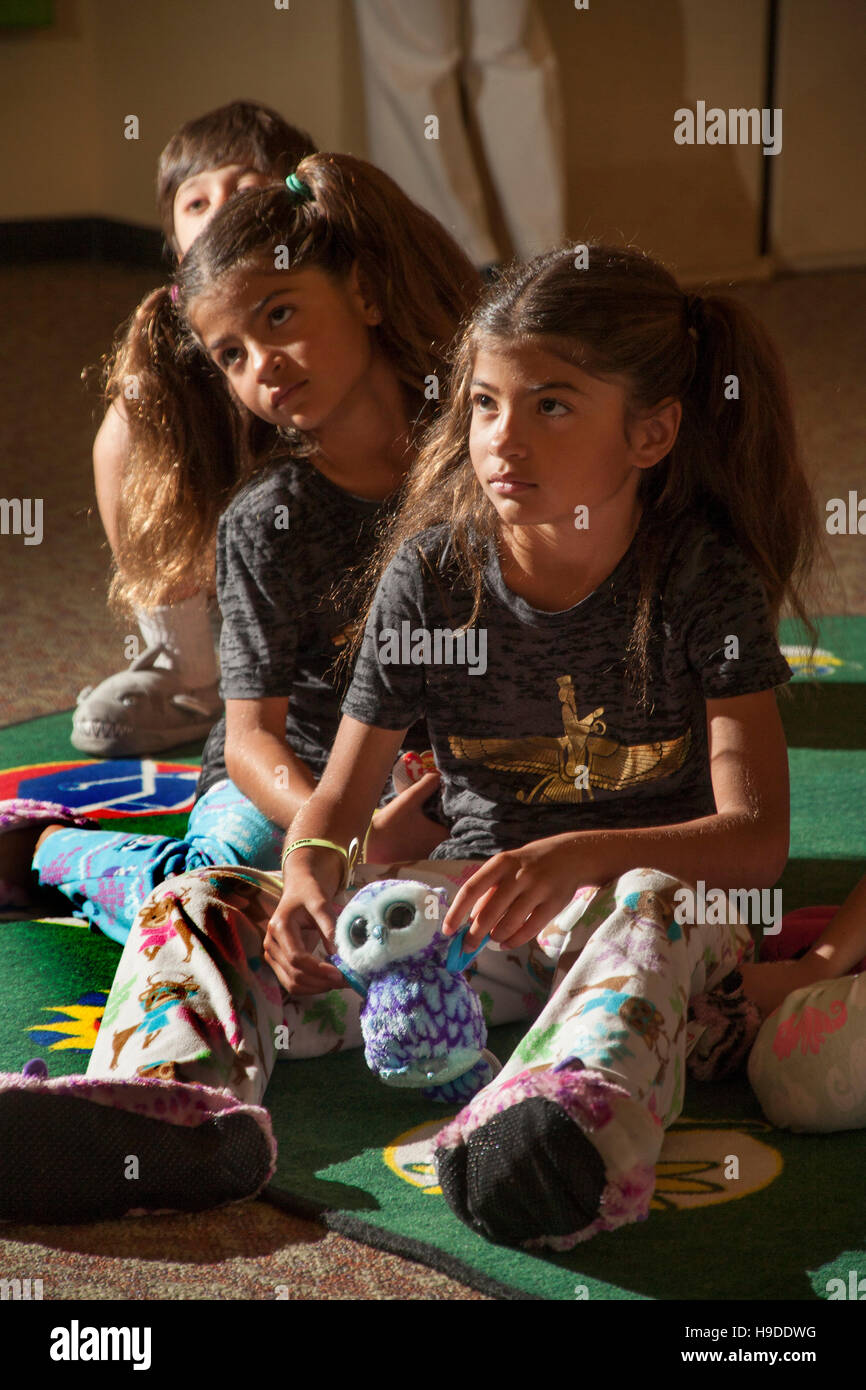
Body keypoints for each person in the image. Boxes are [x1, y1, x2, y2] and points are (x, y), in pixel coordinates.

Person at [0, 242, 819, 1240]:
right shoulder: (431, 575)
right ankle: (161, 1115)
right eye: (482, 403)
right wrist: (307, 885)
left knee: (650, 900)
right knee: (198, 897)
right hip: (471, 921)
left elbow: (753, 839)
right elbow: (340, 805)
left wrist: (578, 855)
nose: (501, 438)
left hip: (655, 938)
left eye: (550, 405)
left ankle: (560, 1141)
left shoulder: (699, 576)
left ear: (648, 432)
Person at [0, 156, 480, 950]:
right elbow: (253, 736)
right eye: (231, 354)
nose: (262, 364)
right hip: (287, 783)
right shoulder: (268, 520)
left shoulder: (478, 459)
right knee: (234, 898)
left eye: (281, 316)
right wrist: (338, 831)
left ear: (363, 293)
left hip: (433, 776)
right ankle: (50, 854)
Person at [73, 100, 316, 758]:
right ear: (174, 239)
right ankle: (189, 669)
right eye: (196, 202)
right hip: (221, 575)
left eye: (245, 190)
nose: (220, 213)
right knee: (128, 421)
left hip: (328, 591)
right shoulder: (171, 336)